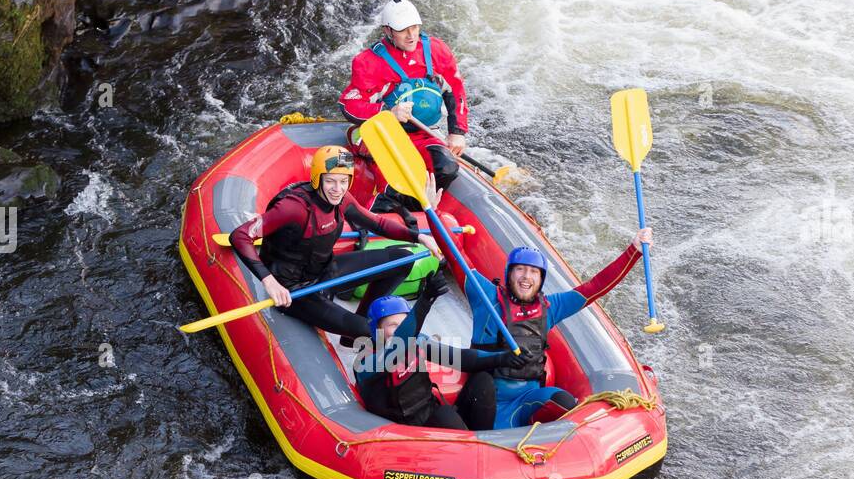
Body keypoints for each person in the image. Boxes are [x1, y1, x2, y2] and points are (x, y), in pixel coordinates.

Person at [228, 145, 442, 344]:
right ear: (317, 179)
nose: (337, 189)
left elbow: (376, 222)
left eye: (343, 181)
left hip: (326, 272)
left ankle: (352, 336)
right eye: (330, 181)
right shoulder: (293, 208)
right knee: (373, 329)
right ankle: (361, 331)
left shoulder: (343, 199)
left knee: (403, 259)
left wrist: (418, 237)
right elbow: (240, 236)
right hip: (294, 292)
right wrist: (270, 282)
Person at [465, 229, 655, 429]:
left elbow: (596, 286)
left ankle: (531, 435)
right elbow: (455, 254)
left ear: (541, 279)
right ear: (509, 273)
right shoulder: (485, 295)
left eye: (533, 271)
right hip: (486, 400)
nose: (526, 277)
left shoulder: (551, 307)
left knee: (564, 402)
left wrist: (633, 251)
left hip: (527, 398)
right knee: (484, 387)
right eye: (520, 269)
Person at [339, 0, 469, 211]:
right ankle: (390, 208)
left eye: (415, 27)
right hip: (384, 133)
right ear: (388, 31)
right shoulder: (368, 62)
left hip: (423, 132)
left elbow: (455, 90)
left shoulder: (437, 50)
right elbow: (349, 104)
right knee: (395, 186)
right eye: (403, 30)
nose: (411, 35)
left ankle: (416, 209)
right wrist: (388, 112)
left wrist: (457, 131)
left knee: (447, 169)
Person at [354, 272, 511, 430]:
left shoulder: (417, 341)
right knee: (445, 416)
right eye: (393, 325)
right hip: (403, 434)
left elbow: (460, 357)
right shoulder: (366, 363)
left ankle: (486, 442)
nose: (400, 329)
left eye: (404, 323)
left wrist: (502, 358)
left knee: (482, 380)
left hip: (431, 415)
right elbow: (398, 344)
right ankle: (475, 446)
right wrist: (425, 300)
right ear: (376, 329)